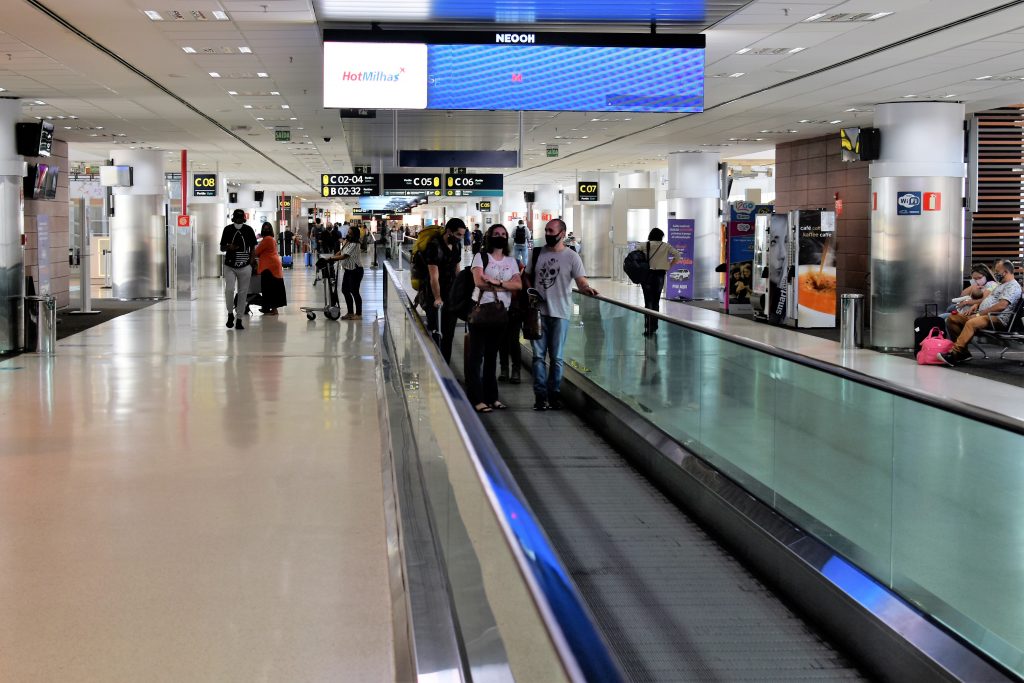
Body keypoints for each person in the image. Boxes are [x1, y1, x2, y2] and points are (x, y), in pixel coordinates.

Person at [526, 218, 599, 411]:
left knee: (557, 358)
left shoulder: (572, 256)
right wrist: (530, 292)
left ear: (562, 234)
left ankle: (554, 393)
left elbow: (580, 280)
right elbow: (526, 275)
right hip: (538, 313)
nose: (548, 234)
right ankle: (540, 396)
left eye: (552, 231)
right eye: (546, 230)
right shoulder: (537, 253)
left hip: (561, 313)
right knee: (538, 357)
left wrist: (586, 288)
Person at [466, 224, 522, 412]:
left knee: (492, 357)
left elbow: (518, 285)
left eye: (503, 234)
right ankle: (477, 398)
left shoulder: (512, 261)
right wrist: (506, 285)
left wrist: (497, 282)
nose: (500, 236)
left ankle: (492, 397)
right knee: (476, 357)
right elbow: (479, 283)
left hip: (501, 314)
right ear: (489, 236)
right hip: (482, 311)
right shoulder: (481, 257)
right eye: (496, 234)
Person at [939, 259, 1021, 366]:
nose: (995, 274)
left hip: (997, 319)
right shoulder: (1001, 285)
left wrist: (979, 314)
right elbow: (987, 299)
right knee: (952, 319)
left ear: (1005, 272)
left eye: (997, 271)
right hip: (985, 316)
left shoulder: (1013, 286)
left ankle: (955, 353)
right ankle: (964, 353)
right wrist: (976, 306)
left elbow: (1002, 306)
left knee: (972, 323)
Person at [422, 218, 467, 362]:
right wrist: (437, 298)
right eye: (458, 234)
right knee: (436, 333)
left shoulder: (457, 246)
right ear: (449, 231)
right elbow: (433, 276)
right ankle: (435, 367)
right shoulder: (434, 246)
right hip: (435, 296)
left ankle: (446, 368)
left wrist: (461, 291)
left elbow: (457, 270)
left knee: (449, 334)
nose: (460, 238)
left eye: (462, 235)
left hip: (451, 296)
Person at [636, 228, 681, 337]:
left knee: (648, 301)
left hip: (646, 275)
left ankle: (648, 327)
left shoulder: (643, 245)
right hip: (660, 275)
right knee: (656, 301)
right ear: (661, 236)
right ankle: (654, 326)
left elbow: (634, 255)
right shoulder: (665, 246)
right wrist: (669, 265)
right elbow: (677, 255)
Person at [220, 208, 257, 330]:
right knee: (229, 290)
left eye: (241, 219)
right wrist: (229, 247)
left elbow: (253, 247)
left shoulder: (248, 230)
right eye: (237, 218)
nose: (239, 221)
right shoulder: (228, 229)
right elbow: (222, 248)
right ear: (233, 218)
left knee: (243, 292)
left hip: (245, 266)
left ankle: (239, 318)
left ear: (244, 219)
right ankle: (230, 314)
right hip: (230, 266)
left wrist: (252, 261)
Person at [331, 227, 365, 320]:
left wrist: (331, 259)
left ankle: (358, 314)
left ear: (354, 235)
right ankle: (350, 312)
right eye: (348, 233)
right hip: (348, 270)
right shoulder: (347, 242)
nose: (348, 235)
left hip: (356, 271)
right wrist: (333, 256)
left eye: (350, 234)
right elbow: (340, 252)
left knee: (355, 292)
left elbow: (344, 256)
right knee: (345, 290)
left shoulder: (355, 244)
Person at [254, 222, 287, 315]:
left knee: (269, 288)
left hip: (269, 266)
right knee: (272, 287)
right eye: (265, 228)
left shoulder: (267, 239)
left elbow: (257, 251)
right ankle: (267, 308)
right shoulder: (271, 239)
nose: (266, 229)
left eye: (267, 228)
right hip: (273, 265)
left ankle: (273, 309)